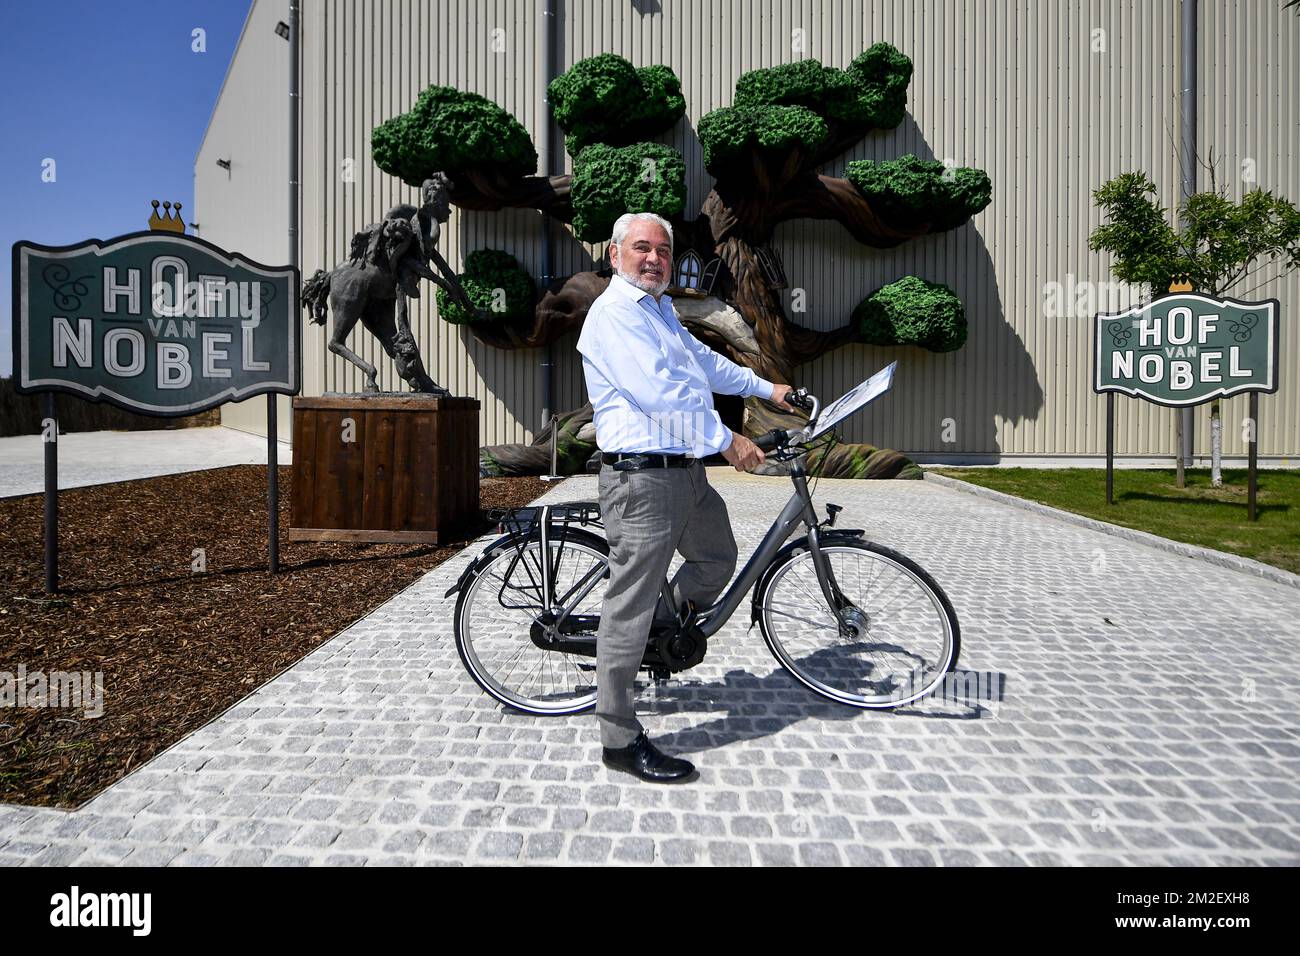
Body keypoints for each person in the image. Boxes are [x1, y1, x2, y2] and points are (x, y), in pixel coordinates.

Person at [576, 212, 793, 783]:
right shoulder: (616, 314)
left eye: (664, 251)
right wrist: (729, 441)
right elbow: (661, 394)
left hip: (685, 474)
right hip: (643, 480)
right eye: (642, 248)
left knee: (717, 558)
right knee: (628, 606)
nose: (654, 259)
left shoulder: (659, 309)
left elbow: (701, 364)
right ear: (615, 253)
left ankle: (659, 631)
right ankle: (618, 737)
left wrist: (765, 385)